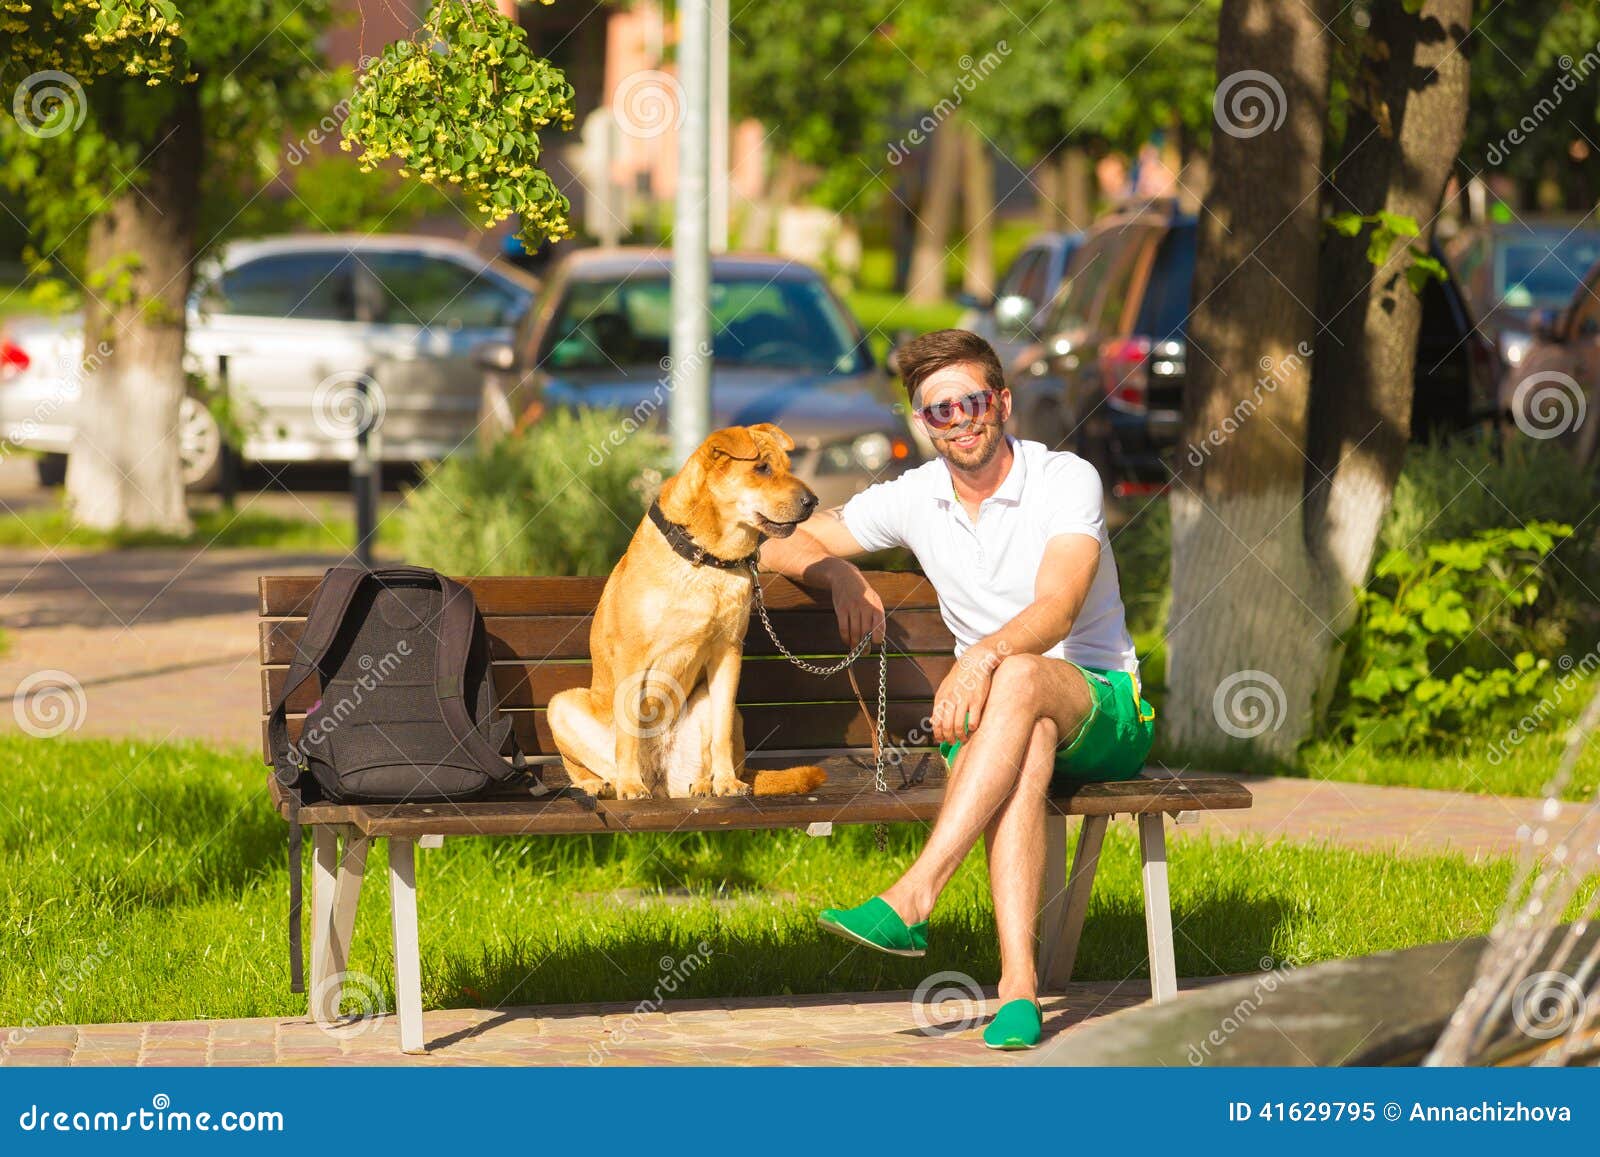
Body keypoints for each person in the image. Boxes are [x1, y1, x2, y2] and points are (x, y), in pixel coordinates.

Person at [756, 329, 1154, 1050]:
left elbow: (1059, 608)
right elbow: (776, 535)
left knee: (1021, 675)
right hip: (1001, 725)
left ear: (1002, 402)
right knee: (1025, 733)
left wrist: (979, 662)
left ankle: (916, 892)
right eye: (940, 410)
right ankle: (1020, 991)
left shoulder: (1065, 479)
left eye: (973, 401)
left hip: (1103, 707)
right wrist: (839, 572)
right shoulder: (917, 496)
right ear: (923, 422)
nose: (960, 420)